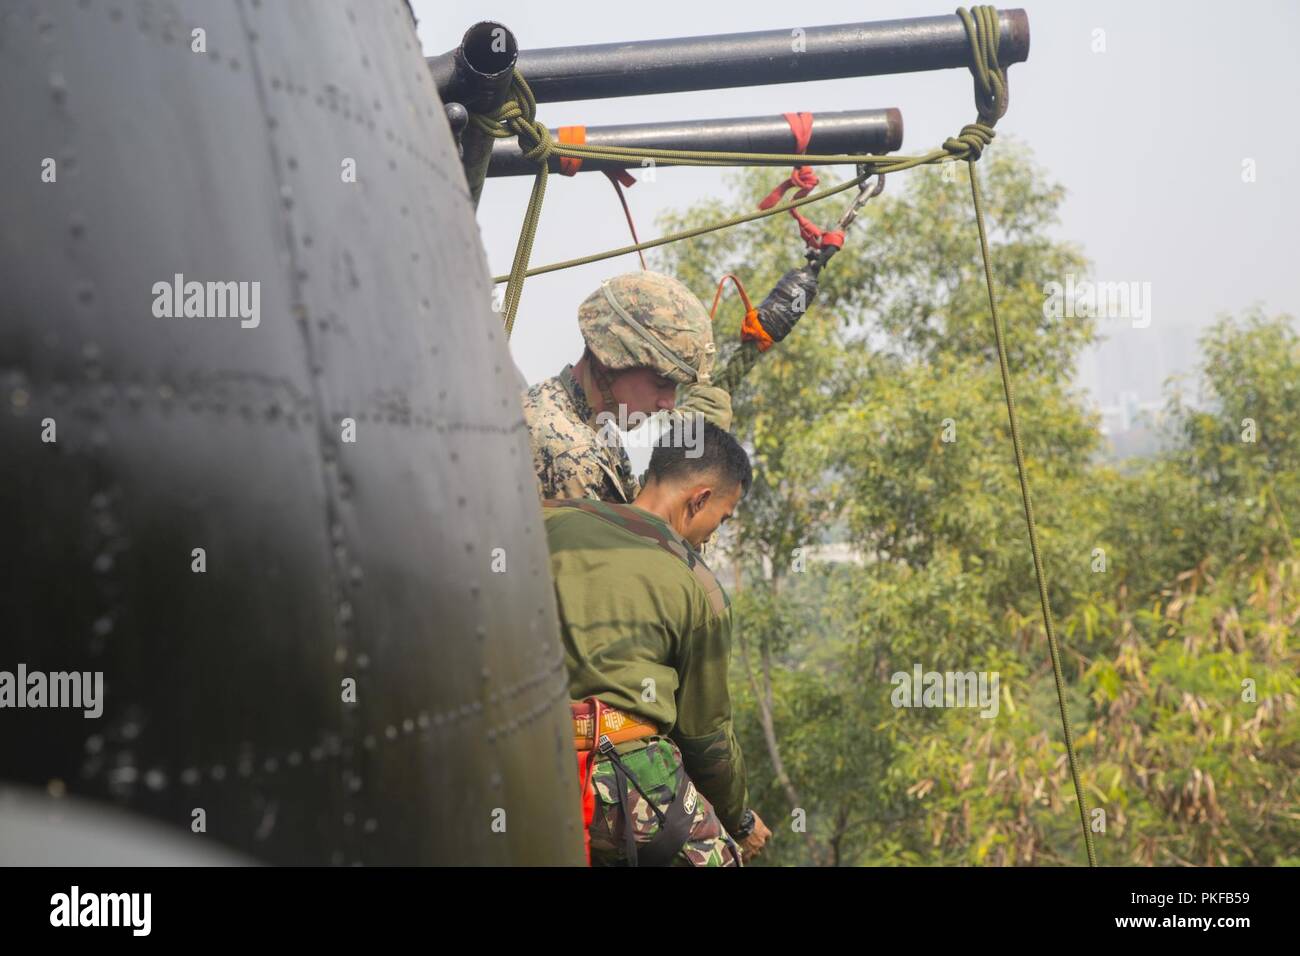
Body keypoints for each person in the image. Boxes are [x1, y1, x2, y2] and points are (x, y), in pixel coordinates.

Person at [543, 421, 772, 866]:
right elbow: (706, 739)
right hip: (621, 777)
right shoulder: (698, 586)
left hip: (515, 757)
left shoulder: (546, 521)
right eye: (720, 519)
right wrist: (739, 820)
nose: (713, 535)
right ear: (700, 499)